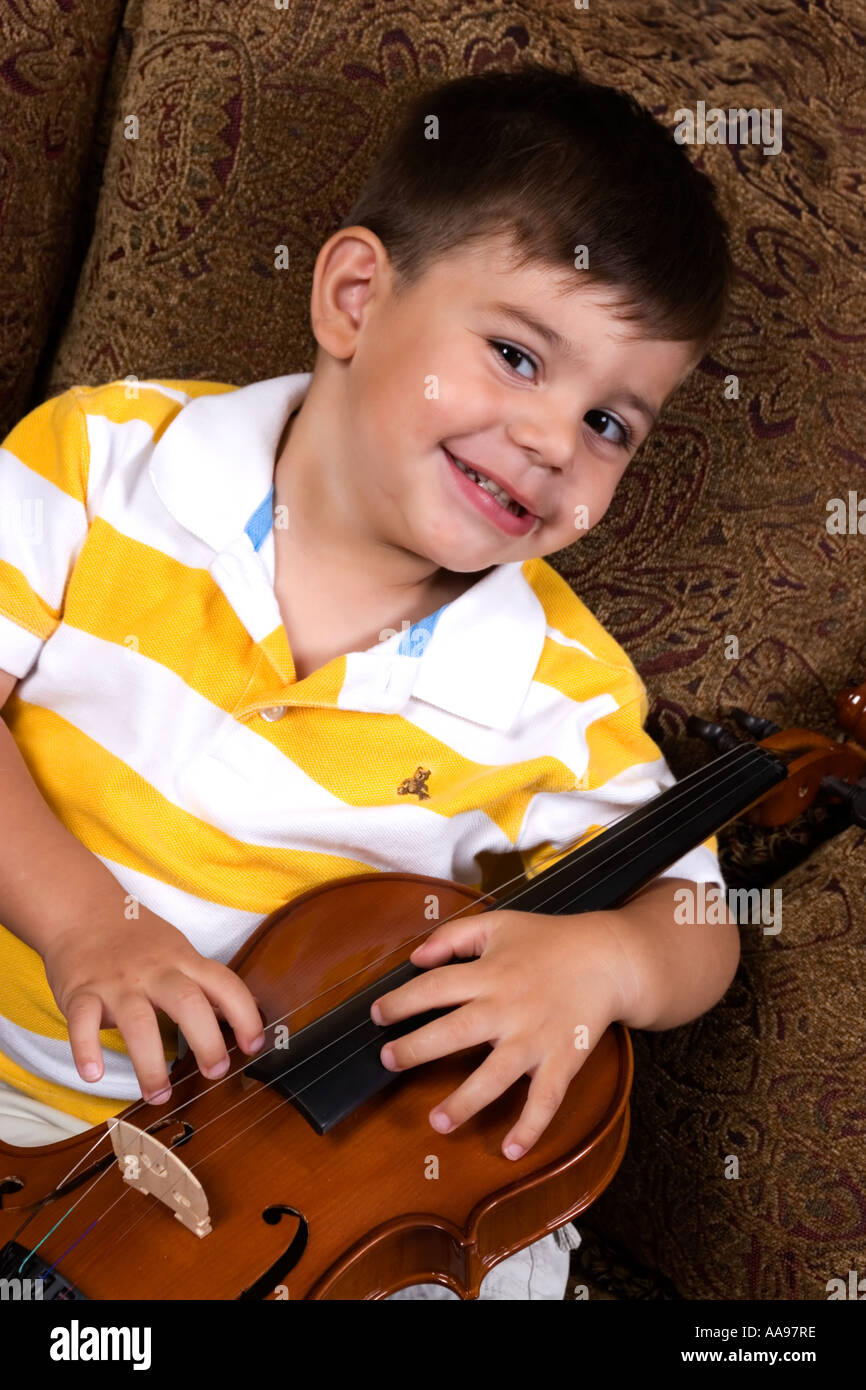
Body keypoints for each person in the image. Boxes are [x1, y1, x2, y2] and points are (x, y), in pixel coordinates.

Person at [0, 64, 736, 1299]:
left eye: (612, 423)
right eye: (514, 354)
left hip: (274, 1199)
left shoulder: (553, 693)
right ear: (352, 297)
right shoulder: (101, 460)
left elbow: (702, 919)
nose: (557, 442)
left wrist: (606, 963)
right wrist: (86, 923)